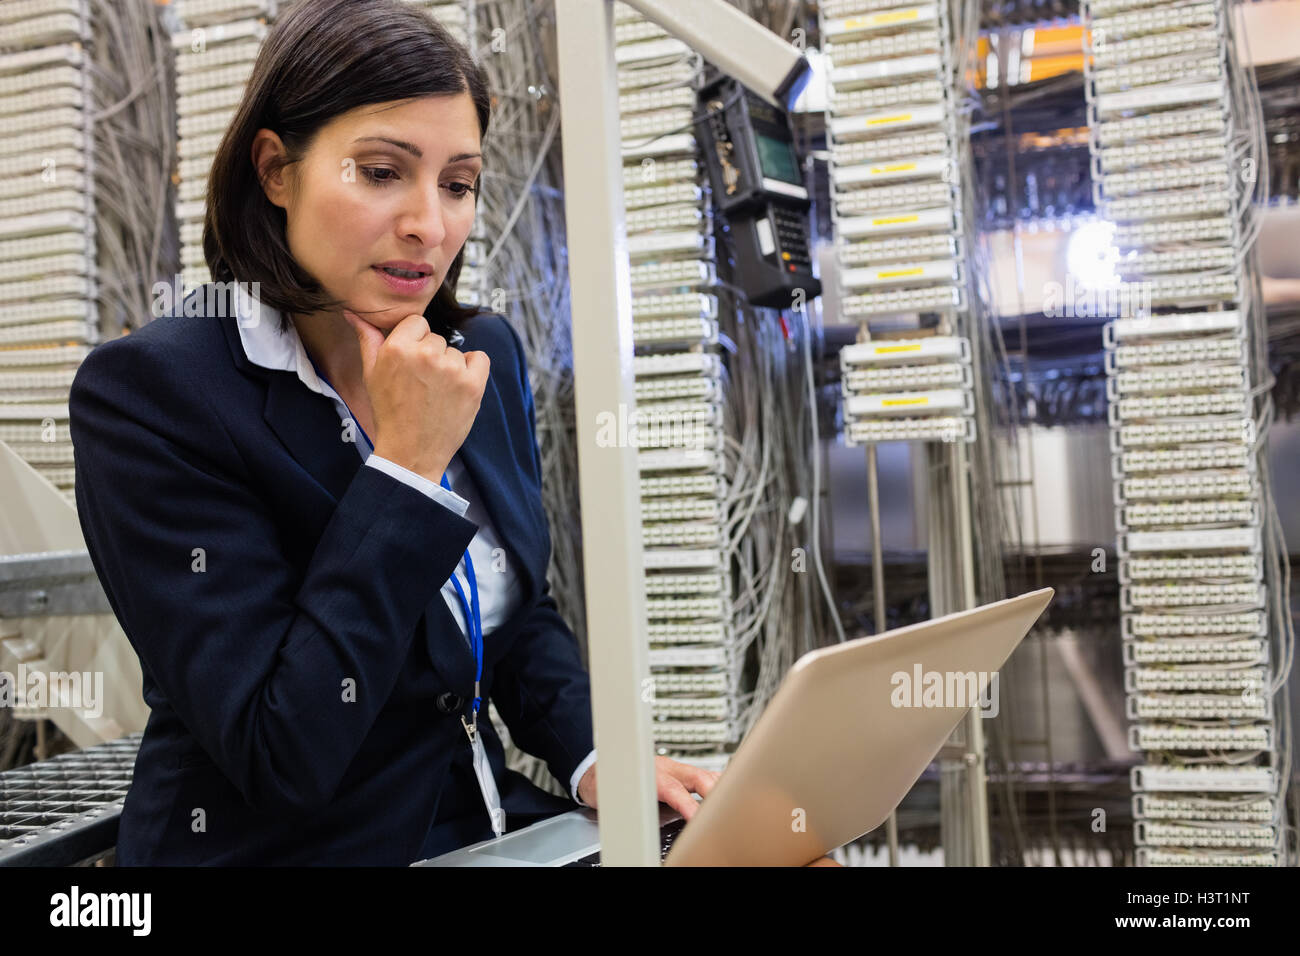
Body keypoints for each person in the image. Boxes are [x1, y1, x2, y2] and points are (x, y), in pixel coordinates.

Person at [69, 0, 717, 866]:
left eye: (457, 183)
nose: (430, 224)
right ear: (275, 170)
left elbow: (509, 613)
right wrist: (407, 469)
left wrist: (597, 755)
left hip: (493, 831)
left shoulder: (475, 353)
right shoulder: (156, 394)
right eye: (381, 172)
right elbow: (279, 747)